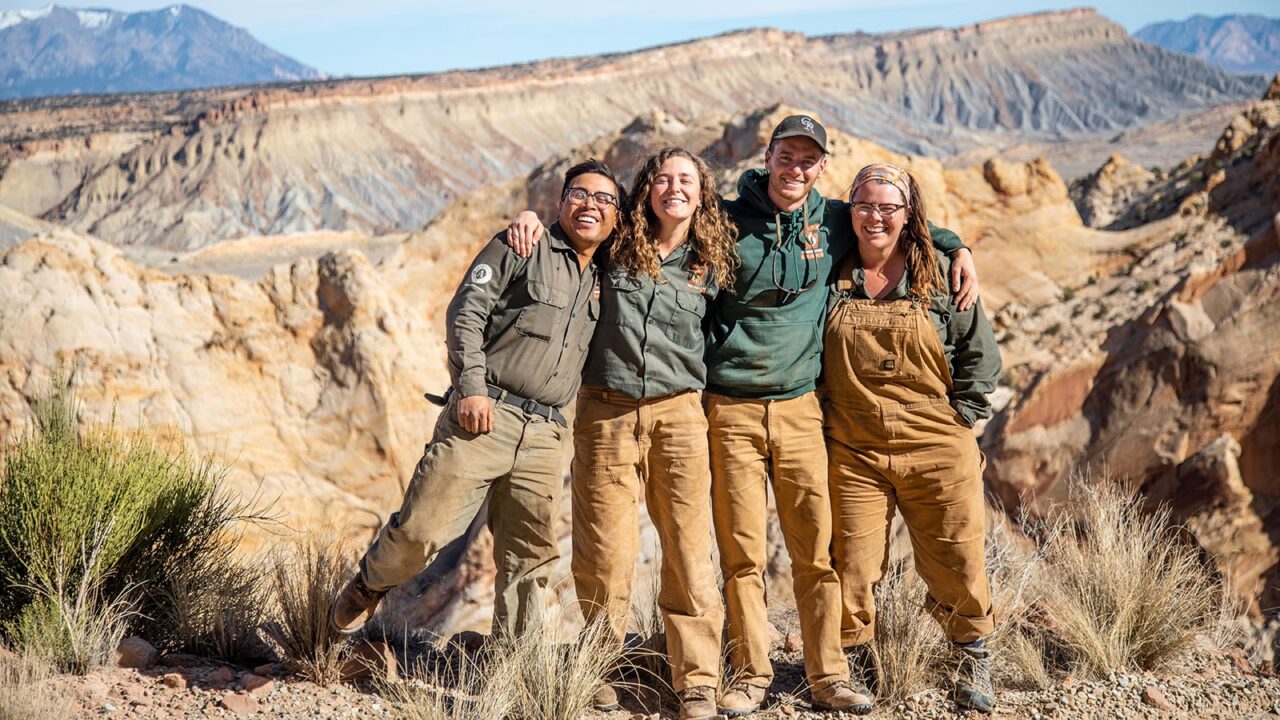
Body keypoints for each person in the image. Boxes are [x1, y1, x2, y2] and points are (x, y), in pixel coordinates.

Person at [705, 115, 978, 717]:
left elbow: (900, 224)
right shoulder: (724, 219)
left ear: (821, 167)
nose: (795, 168)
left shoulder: (832, 218)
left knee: (818, 550)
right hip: (731, 407)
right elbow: (656, 235)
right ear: (768, 155)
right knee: (743, 551)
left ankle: (828, 673)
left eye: (808, 160)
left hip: (804, 409)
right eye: (787, 156)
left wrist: (958, 249)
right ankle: (750, 674)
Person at [329, 159, 621, 640]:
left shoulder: (608, 275)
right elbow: (465, 312)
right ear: (560, 200)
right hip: (486, 414)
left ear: (616, 217)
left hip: (547, 433)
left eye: (605, 199)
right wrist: (472, 387)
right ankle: (370, 583)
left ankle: (516, 664)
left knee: (530, 556)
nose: (591, 205)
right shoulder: (522, 245)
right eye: (580, 193)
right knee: (423, 530)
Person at [503, 147, 736, 720]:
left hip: (680, 416)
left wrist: (956, 250)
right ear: (646, 189)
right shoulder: (615, 244)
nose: (674, 189)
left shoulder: (716, 256)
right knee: (604, 549)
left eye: (686, 180)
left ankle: (698, 680)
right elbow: (569, 234)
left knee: (687, 549)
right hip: (605, 415)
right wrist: (530, 218)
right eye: (663, 179)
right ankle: (603, 666)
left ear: (702, 192)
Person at [823, 163, 1001, 714]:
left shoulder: (942, 269)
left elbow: (980, 355)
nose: (874, 217)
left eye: (888, 207)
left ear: (908, 213)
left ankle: (970, 655)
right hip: (854, 448)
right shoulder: (828, 261)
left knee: (957, 554)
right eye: (864, 205)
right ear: (847, 208)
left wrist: (960, 419)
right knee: (850, 560)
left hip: (937, 445)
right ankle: (856, 658)